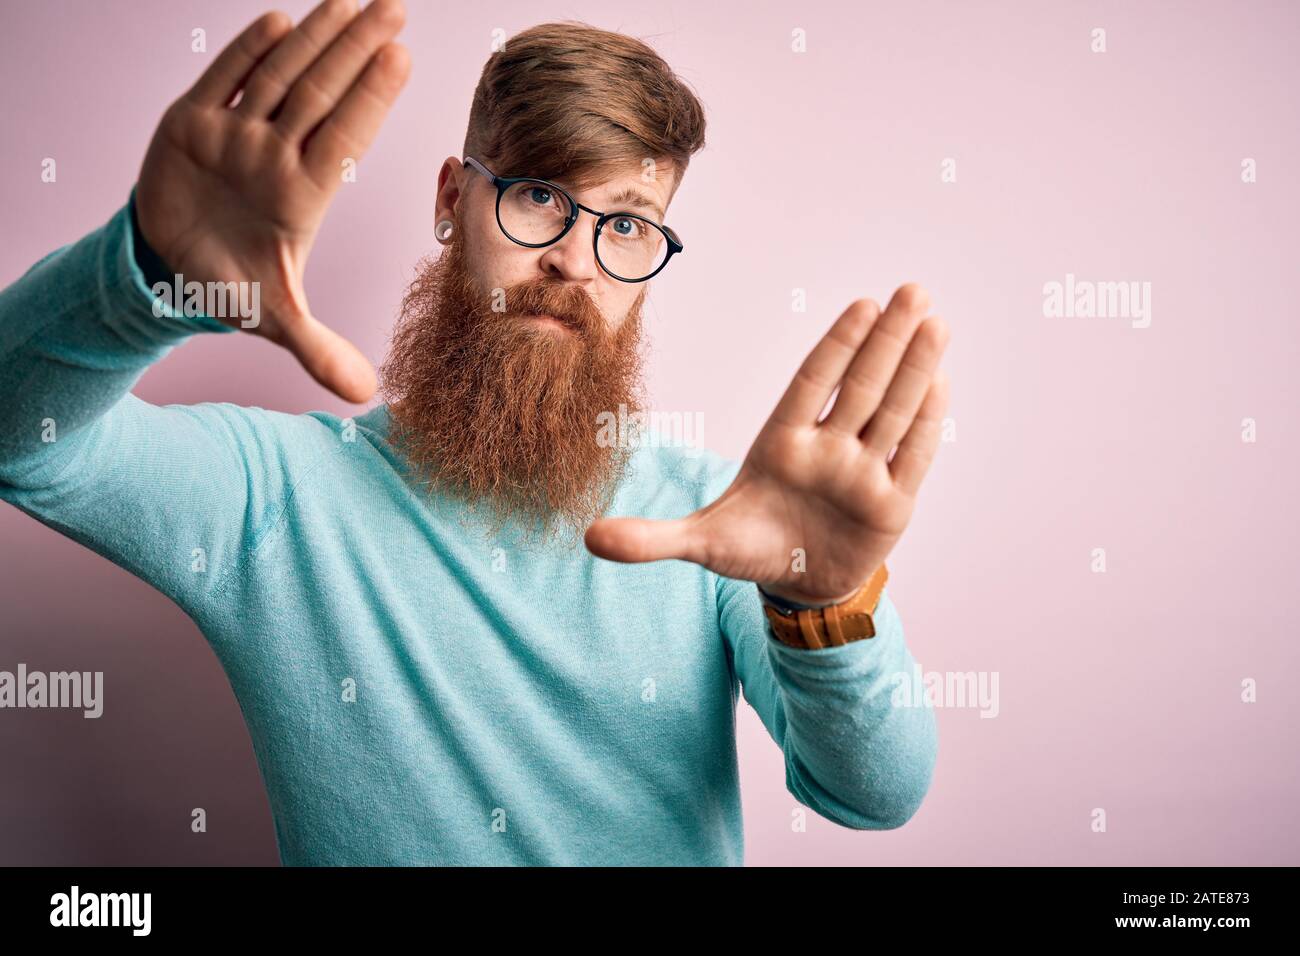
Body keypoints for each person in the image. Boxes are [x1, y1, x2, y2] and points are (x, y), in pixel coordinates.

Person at [0, 0, 950, 865]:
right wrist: (147, 280)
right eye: (539, 194)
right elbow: (25, 441)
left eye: (629, 224)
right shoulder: (275, 498)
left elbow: (874, 796)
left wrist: (825, 604)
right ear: (453, 200)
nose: (576, 261)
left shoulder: (719, 524)